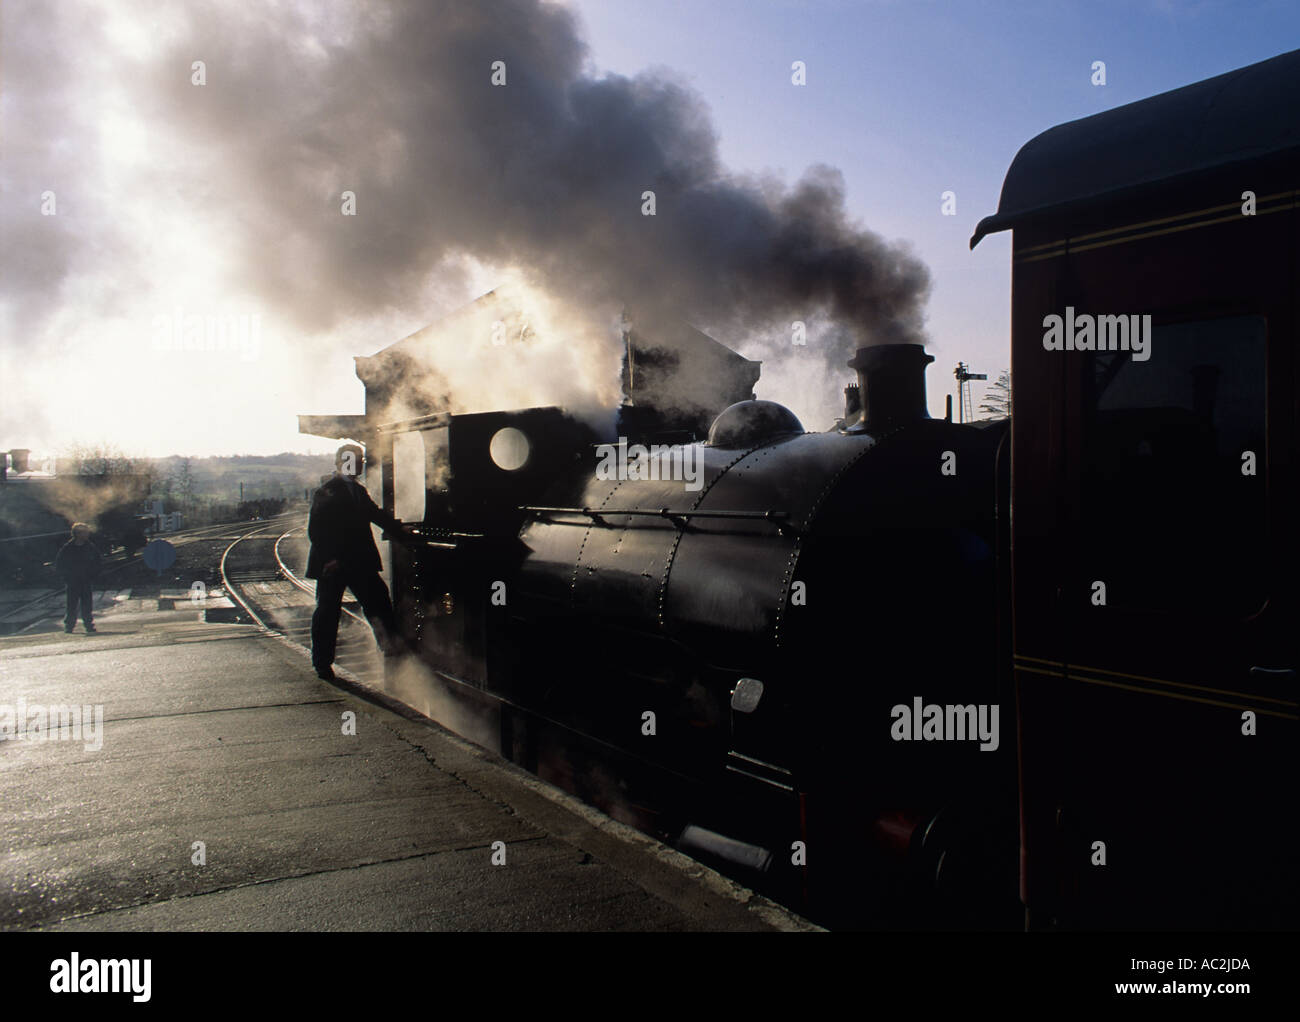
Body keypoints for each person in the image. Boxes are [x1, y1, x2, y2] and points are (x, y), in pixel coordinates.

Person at [306, 444, 416, 680]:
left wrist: (399, 529)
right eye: (354, 461)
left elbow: (375, 514)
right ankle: (322, 663)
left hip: (357, 561)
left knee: (378, 603)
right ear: (341, 463)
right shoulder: (327, 492)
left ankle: (392, 650)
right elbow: (316, 530)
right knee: (328, 613)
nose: (358, 465)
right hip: (335, 565)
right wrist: (330, 559)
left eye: (359, 461)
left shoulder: (357, 491)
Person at [56, 522, 101, 634]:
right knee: (71, 604)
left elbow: (97, 561)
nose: (87, 535)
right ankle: (69, 626)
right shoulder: (67, 548)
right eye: (84, 533)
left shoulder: (90, 547)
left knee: (87, 604)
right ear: (77, 534)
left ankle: (88, 625)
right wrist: (66, 577)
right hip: (73, 580)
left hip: (85, 579)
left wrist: (93, 574)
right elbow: (60, 563)